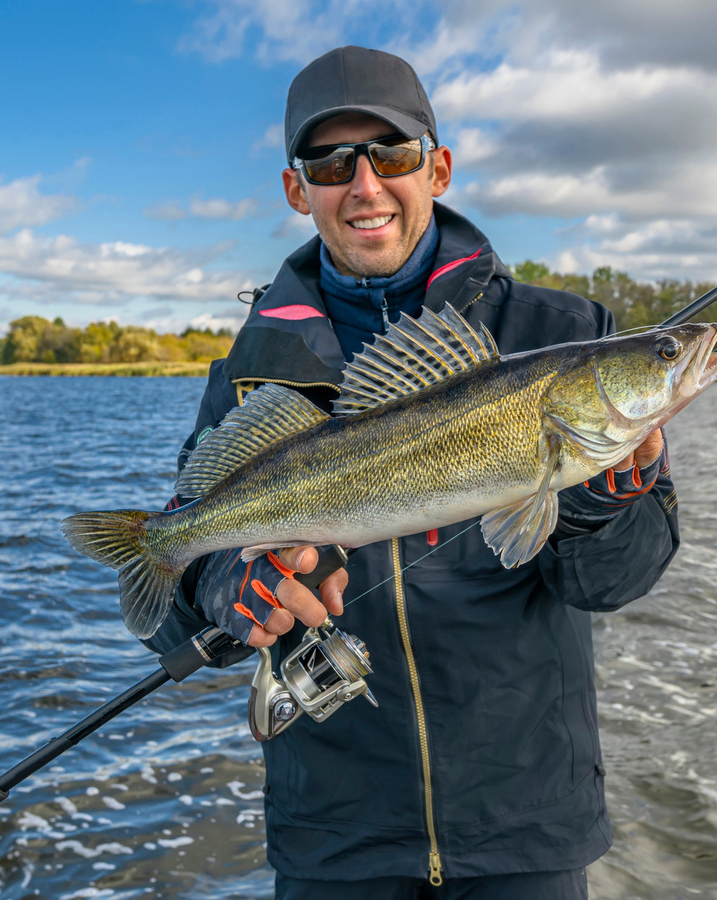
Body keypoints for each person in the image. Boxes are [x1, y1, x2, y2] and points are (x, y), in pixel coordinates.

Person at [143, 46, 682, 900]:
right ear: (298, 190)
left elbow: (613, 584)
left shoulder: (563, 331)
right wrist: (218, 589)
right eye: (330, 163)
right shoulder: (252, 372)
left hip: (523, 825)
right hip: (336, 838)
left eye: (390, 155)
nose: (364, 186)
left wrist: (605, 508)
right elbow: (173, 609)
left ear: (437, 167)